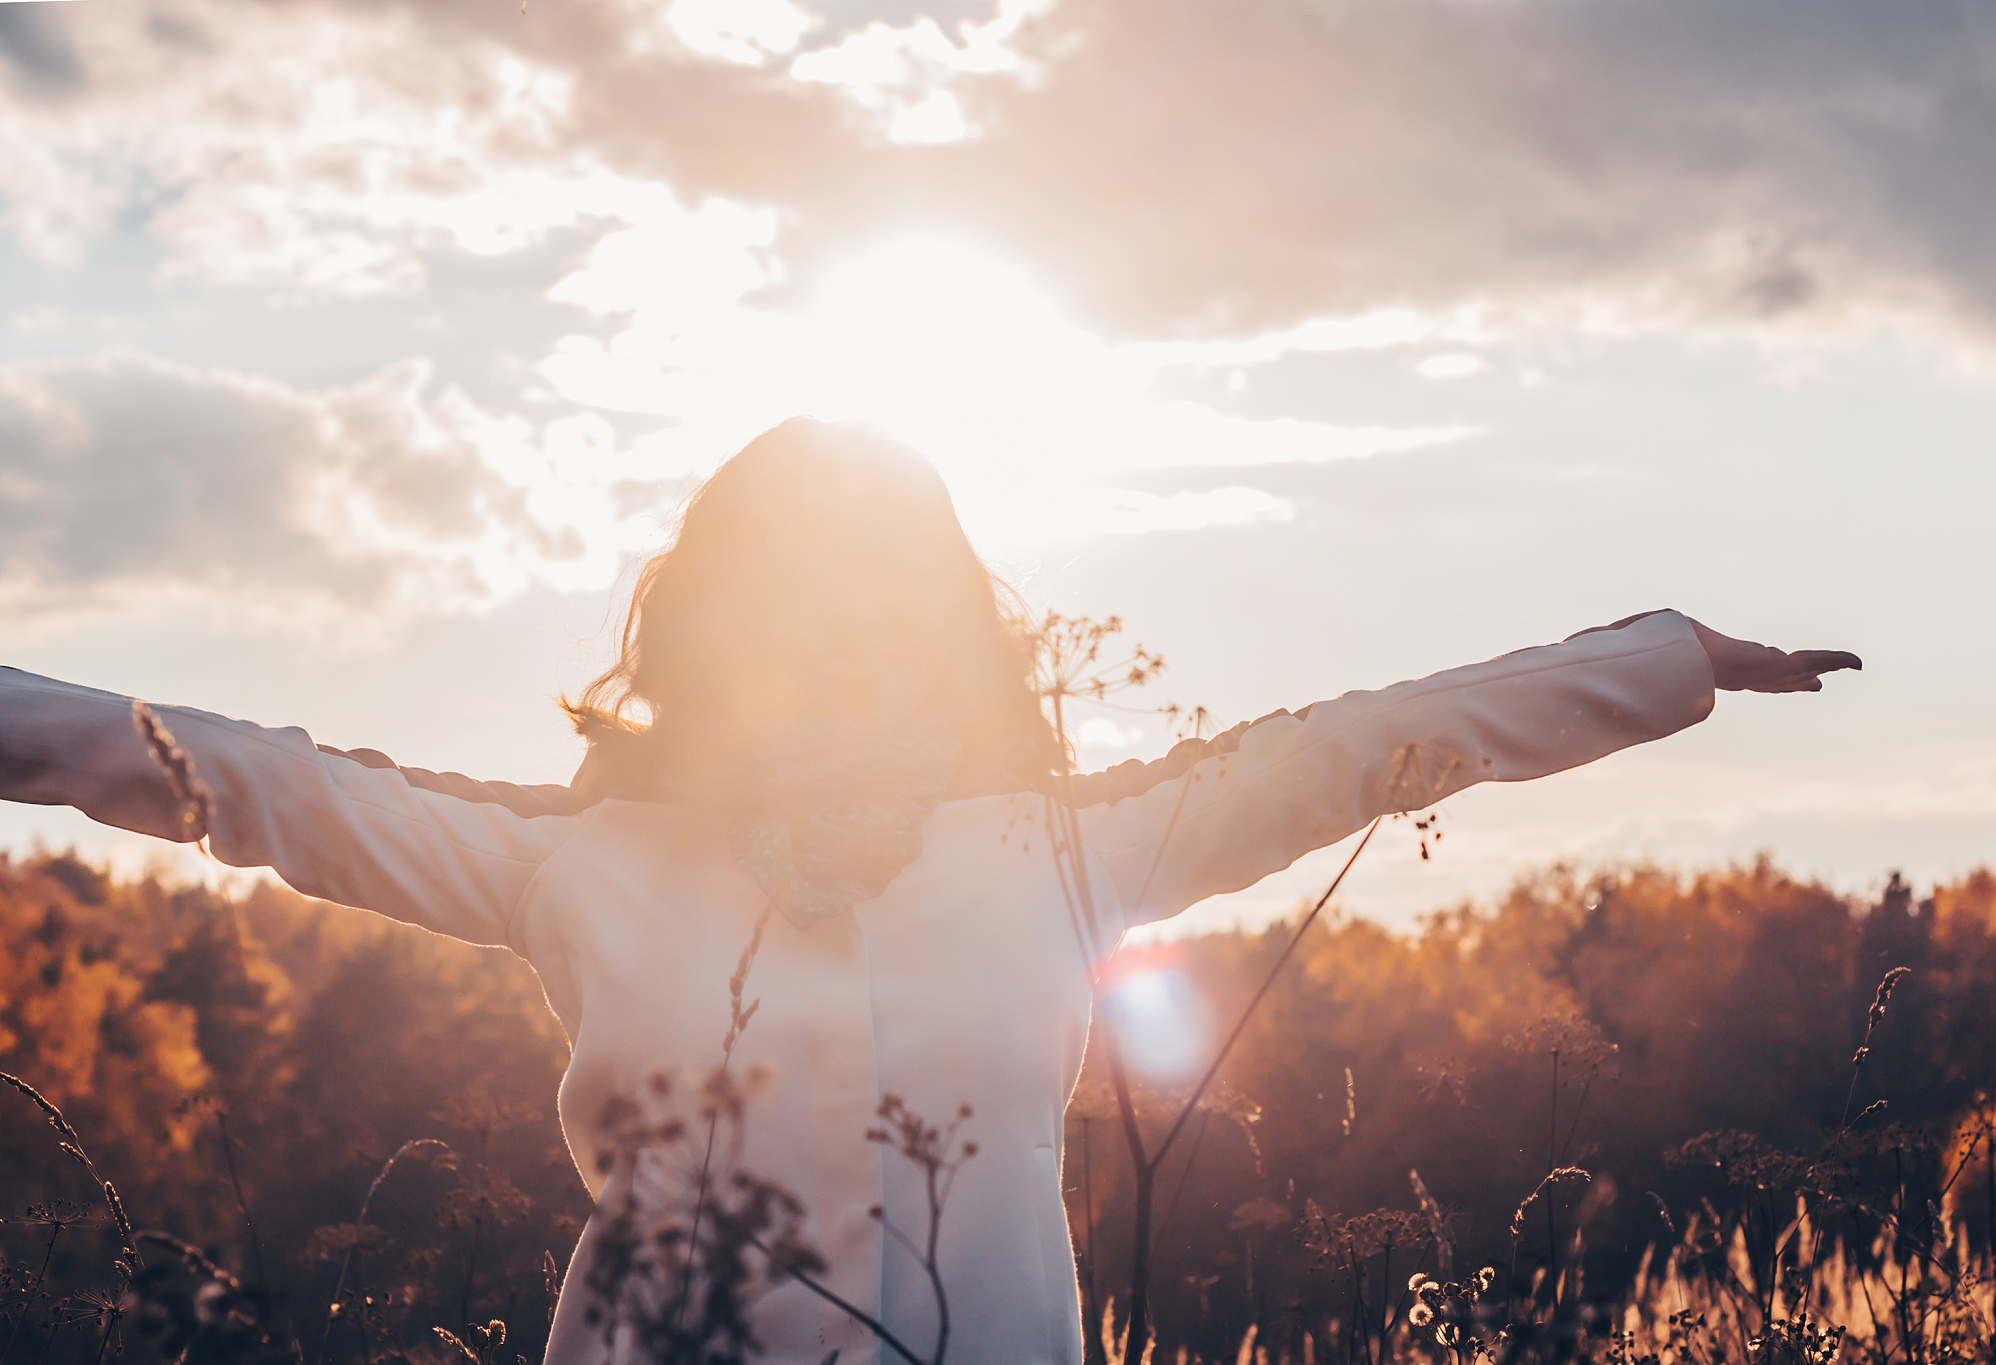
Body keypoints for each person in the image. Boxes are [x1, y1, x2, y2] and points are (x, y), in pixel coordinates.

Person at [0, 417, 1860, 1363]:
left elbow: (1375, 737)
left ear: (946, 632)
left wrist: (1671, 655)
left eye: (881, 615)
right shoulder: (583, 858)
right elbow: (236, 778)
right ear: (715, 646)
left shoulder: (1068, 843)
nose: (840, 661)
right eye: (793, 621)